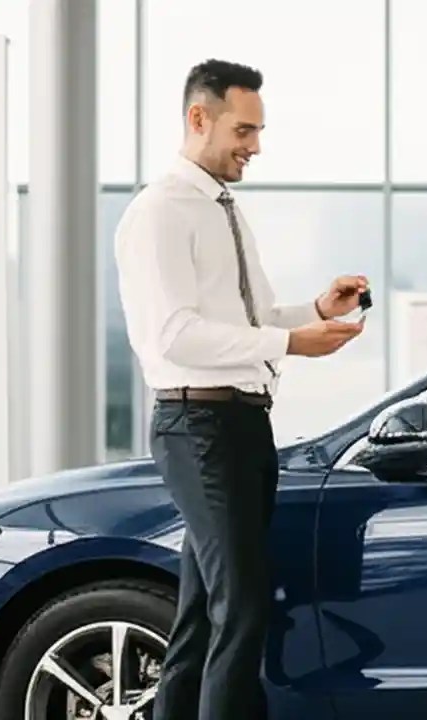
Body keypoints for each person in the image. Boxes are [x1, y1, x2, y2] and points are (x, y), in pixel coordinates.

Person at [114, 58, 368, 720]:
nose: (255, 146)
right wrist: (289, 344)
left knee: (203, 616)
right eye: (244, 130)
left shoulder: (222, 209)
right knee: (245, 606)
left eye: (258, 131)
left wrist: (313, 311)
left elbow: (240, 326)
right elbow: (173, 335)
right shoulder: (160, 213)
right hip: (197, 428)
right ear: (199, 118)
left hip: (241, 427)